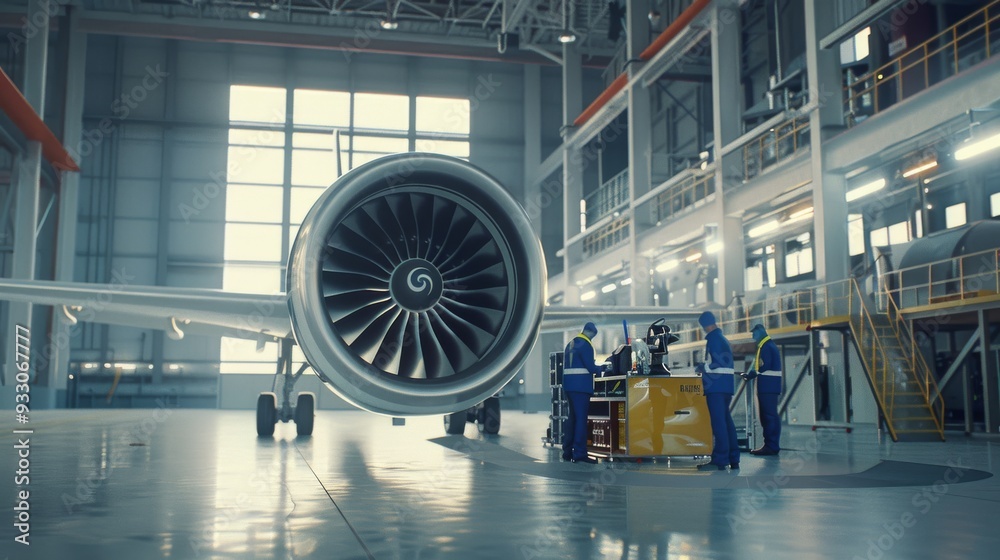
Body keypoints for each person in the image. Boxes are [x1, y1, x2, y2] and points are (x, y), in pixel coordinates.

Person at [695, 311, 740, 471]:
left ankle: (720, 459)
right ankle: (734, 459)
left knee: (718, 423)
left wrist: (702, 367)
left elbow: (717, 362)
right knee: (727, 423)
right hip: (726, 386)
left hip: (716, 387)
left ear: (704, 325)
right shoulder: (723, 339)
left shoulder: (713, 339)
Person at [562, 322, 602, 464]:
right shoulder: (585, 344)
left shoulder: (571, 343)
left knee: (571, 419)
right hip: (581, 388)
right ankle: (579, 454)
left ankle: (567, 452)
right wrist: (604, 368)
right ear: (591, 333)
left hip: (569, 387)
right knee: (581, 421)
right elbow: (590, 367)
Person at [744, 324, 782, 455]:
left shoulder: (766, 346)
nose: (753, 336)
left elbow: (764, 366)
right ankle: (771, 445)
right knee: (769, 416)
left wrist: (752, 374)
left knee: (768, 417)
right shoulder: (768, 345)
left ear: (760, 331)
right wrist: (750, 375)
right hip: (769, 386)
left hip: (768, 386)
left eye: (754, 333)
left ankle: (771, 446)